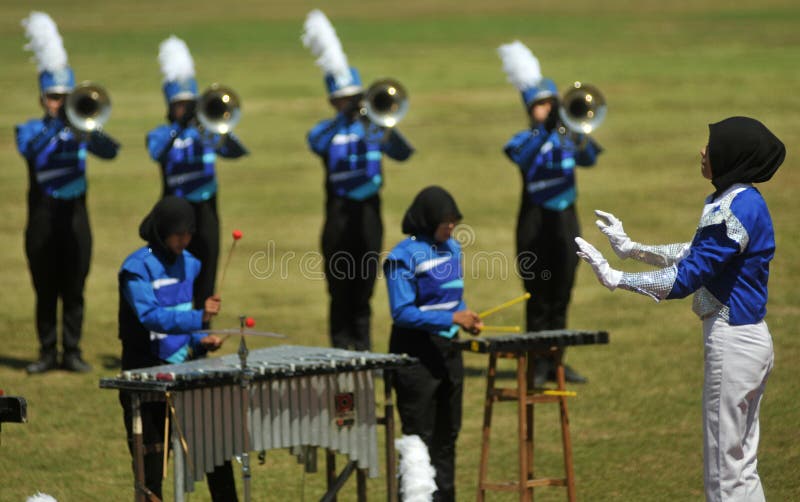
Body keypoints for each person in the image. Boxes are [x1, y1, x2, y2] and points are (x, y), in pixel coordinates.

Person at [575, 116, 785, 502]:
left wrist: (615, 277)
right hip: (749, 341)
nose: (703, 152)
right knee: (740, 466)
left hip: (733, 343)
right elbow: (695, 255)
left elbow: (686, 277)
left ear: (733, 155)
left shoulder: (736, 208)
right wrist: (631, 248)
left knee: (724, 473)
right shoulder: (739, 200)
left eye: (712, 146)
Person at [303, 10, 414, 351]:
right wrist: (343, 118)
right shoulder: (328, 130)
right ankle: (340, 350)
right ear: (333, 101)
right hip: (337, 214)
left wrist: (378, 122)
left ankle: (363, 350)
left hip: (368, 212)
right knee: (339, 288)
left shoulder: (375, 127)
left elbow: (402, 152)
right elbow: (315, 141)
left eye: (354, 97)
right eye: (344, 98)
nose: (351, 103)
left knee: (364, 286)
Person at [16, 12, 120, 374]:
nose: (59, 103)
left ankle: (72, 351)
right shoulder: (29, 129)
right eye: (53, 97)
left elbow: (112, 151)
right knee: (45, 288)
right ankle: (46, 352)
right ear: (42, 98)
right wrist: (57, 125)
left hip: (76, 215)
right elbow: (29, 150)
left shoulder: (82, 130)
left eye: (64, 97)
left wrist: (85, 129)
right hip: (42, 217)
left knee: (75, 285)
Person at [117, 196, 237, 501]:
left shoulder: (190, 264)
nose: (185, 241)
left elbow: (180, 326)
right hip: (145, 377)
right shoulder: (137, 267)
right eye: (178, 234)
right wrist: (199, 317)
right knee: (151, 474)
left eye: (189, 234)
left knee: (217, 453)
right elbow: (150, 318)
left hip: (185, 375)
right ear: (162, 231)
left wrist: (199, 339)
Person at [498, 40, 602, 385]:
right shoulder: (524, 140)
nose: (547, 109)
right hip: (534, 224)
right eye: (540, 104)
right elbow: (521, 158)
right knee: (539, 296)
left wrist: (570, 129)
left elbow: (590, 158)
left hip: (565, 221)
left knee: (562, 293)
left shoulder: (569, 136)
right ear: (529, 109)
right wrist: (545, 131)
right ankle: (537, 366)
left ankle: (557, 361)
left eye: (550, 103)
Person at [384, 186, 483, 502]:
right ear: (427, 220)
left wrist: (466, 317)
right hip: (416, 356)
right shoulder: (402, 257)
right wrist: (453, 320)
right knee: (419, 439)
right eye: (446, 221)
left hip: (448, 354)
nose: (451, 227)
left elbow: (452, 295)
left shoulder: (453, 248)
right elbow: (402, 312)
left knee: (447, 435)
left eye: (455, 221)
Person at [146, 36, 248, 310]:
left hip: (206, 212)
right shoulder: (161, 134)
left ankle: (202, 339)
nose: (187, 109)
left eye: (191, 103)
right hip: (175, 211)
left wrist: (211, 127)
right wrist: (179, 125)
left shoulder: (207, 132)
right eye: (181, 104)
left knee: (207, 274)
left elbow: (237, 151)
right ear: (169, 106)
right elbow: (157, 152)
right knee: (173, 278)